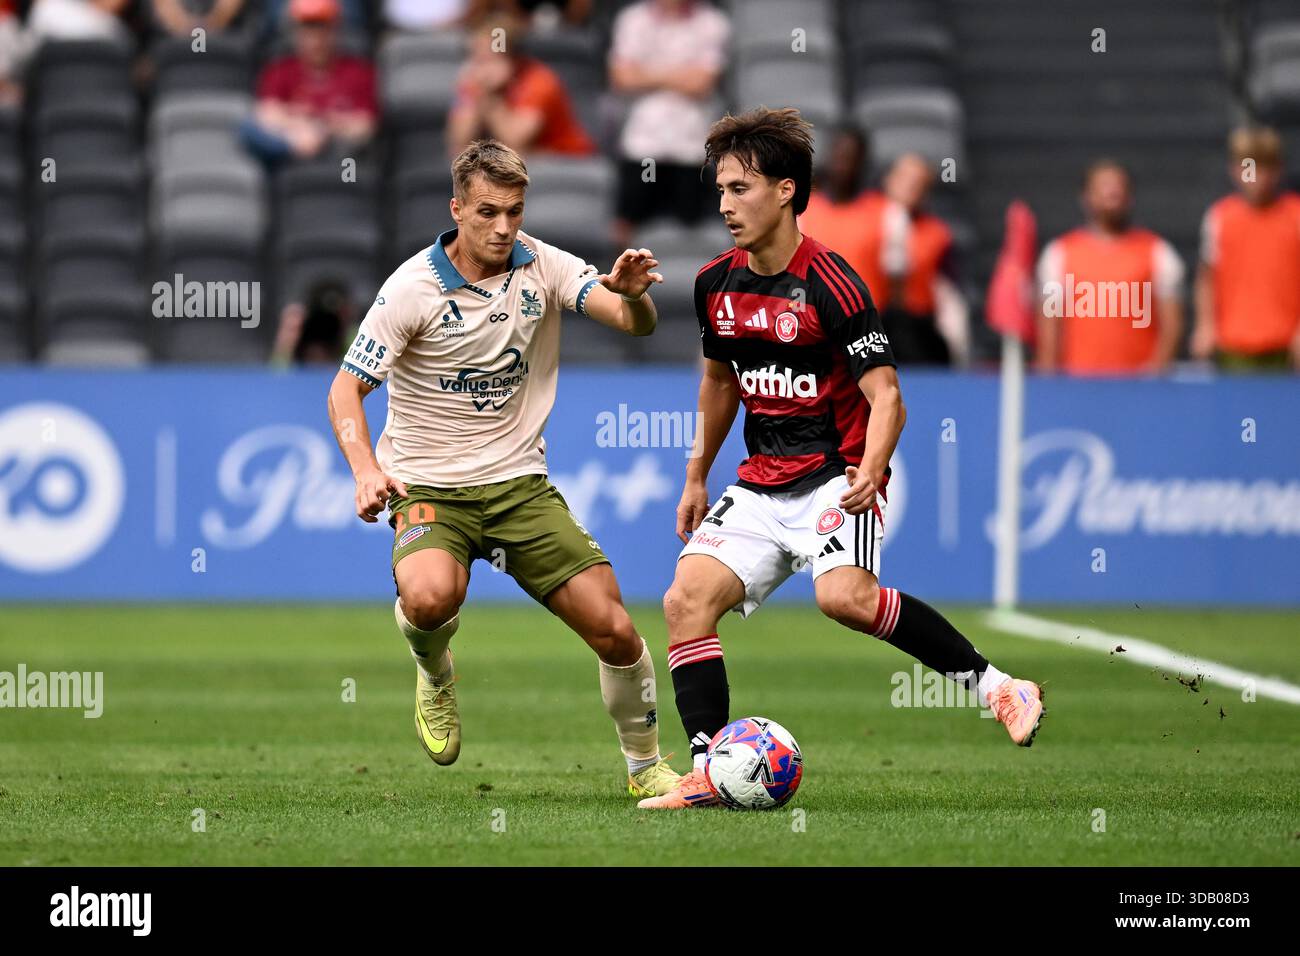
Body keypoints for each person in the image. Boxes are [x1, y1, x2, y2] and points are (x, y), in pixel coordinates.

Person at [639, 108, 1044, 811]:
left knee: (843, 599)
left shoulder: (832, 283)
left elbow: (887, 395)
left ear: (788, 190)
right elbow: (718, 382)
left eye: (741, 188)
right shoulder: (715, 284)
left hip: (835, 475)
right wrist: (696, 474)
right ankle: (709, 769)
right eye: (722, 190)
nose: (726, 204)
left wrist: (872, 466)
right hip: (761, 485)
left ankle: (1000, 688)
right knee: (685, 600)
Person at [326, 138, 682, 798]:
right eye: (488, 212)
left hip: (519, 487)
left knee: (616, 629)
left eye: (514, 211)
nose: (503, 228)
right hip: (429, 486)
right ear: (457, 208)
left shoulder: (542, 265)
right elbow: (345, 389)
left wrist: (633, 298)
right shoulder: (411, 289)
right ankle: (434, 671)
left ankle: (645, 768)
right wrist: (365, 470)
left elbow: (635, 325)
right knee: (431, 598)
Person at [1035, 160, 1184, 375]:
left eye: (1118, 186)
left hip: (1137, 388)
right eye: (1103, 185)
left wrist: (1154, 378)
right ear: (1086, 197)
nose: (1112, 192)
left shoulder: (1159, 253)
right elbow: (1049, 329)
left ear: (1129, 196)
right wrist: (1048, 384)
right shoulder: (1057, 255)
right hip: (1077, 385)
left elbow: (1172, 326)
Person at [607, 0, 729, 248]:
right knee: (626, 226)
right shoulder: (633, 19)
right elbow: (621, 77)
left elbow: (701, 83)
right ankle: (621, 283)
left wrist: (646, 73)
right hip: (642, 145)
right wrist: (680, 74)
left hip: (690, 149)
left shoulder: (712, 23)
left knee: (691, 232)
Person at [1193, 126, 1300, 372]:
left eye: (1266, 168)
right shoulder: (1219, 217)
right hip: (1233, 347)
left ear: (1278, 170)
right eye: (1249, 167)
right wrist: (1205, 325)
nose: (1257, 177)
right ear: (1235, 170)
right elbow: (1206, 277)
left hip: (1286, 348)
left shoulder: (1295, 215)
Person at [242, 0, 377, 166]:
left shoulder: (358, 71)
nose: (315, 41)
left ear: (336, 31)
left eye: (323, 31)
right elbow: (266, 114)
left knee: (353, 166)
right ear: (296, 34)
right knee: (249, 131)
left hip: (340, 155)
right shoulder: (280, 69)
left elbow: (365, 127)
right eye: (308, 32)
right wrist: (298, 131)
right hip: (291, 153)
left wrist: (322, 129)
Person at [446, 18, 594, 157]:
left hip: (565, 164)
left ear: (514, 58)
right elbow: (458, 142)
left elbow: (515, 141)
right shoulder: (474, 80)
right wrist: (474, 93)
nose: (483, 68)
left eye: (491, 59)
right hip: (519, 167)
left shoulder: (540, 81)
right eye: (478, 59)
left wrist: (490, 98)